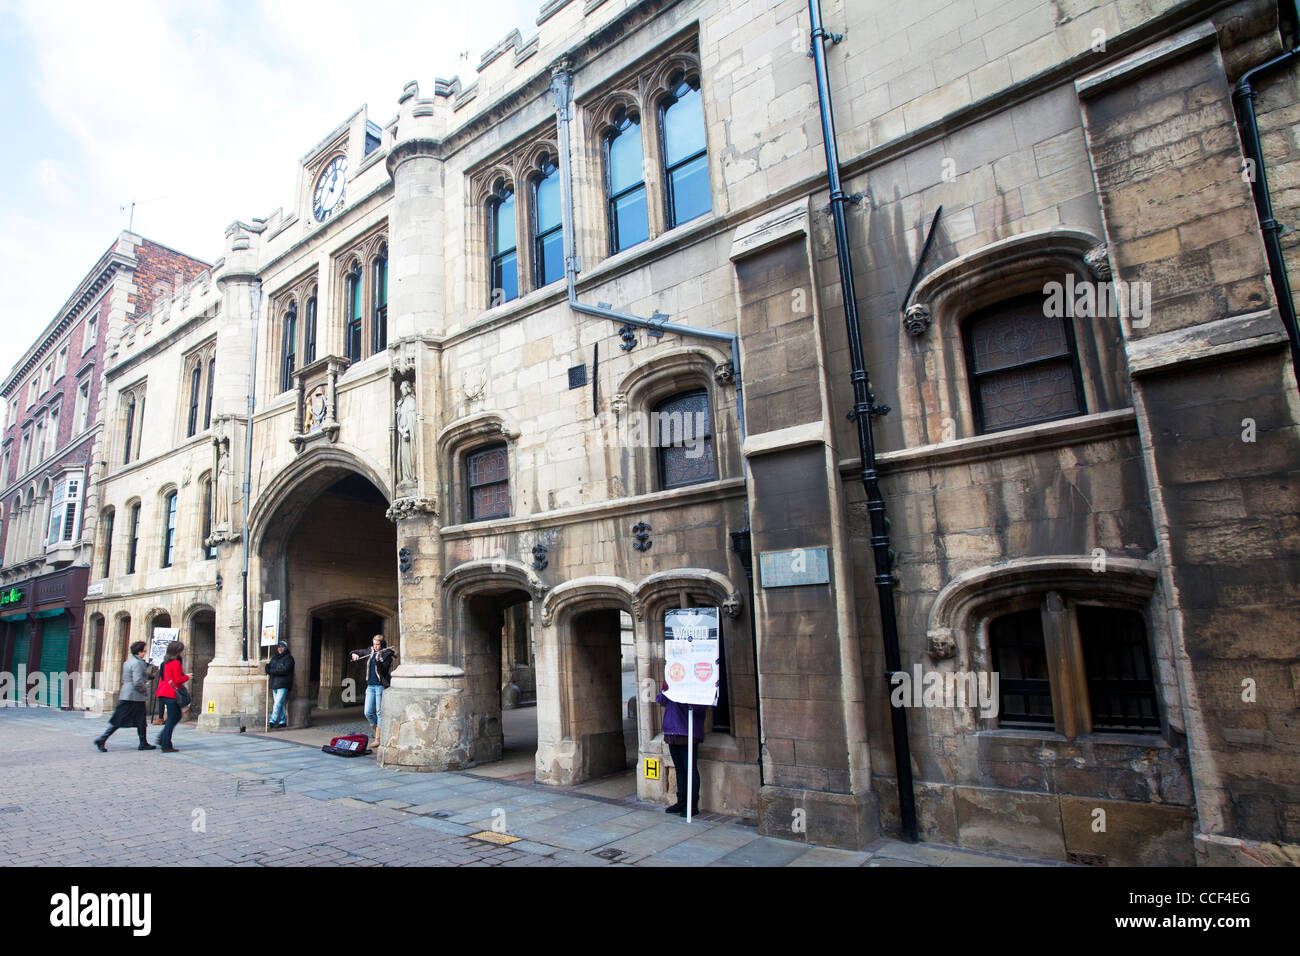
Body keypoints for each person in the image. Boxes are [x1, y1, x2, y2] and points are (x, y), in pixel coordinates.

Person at [655, 680, 708, 816]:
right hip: (672, 731)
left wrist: (687, 695)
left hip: (687, 731)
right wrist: (665, 690)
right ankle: (682, 801)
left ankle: (692, 804)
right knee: (679, 768)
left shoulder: (695, 682)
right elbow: (661, 701)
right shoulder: (672, 681)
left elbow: (700, 707)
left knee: (690, 768)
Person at [93, 641, 157, 752]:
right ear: (139, 651)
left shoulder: (129, 661)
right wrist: (144, 690)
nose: (145, 653)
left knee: (141, 720)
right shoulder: (137, 663)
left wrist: (149, 676)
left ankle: (143, 743)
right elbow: (137, 681)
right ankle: (102, 739)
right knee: (119, 719)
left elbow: (138, 674)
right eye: (144, 651)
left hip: (128, 694)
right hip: (133, 696)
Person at [350, 635, 396, 745]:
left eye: (377, 644)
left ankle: (378, 739)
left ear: (382, 644)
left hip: (380, 686)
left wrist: (378, 661)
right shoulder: (369, 651)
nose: (375, 646)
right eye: (374, 644)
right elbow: (355, 651)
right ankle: (379, 732)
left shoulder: (386, 654)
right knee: (368, 712)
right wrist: (354, 654)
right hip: (370, 686)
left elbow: (384, 670)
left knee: (379, 713)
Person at [154, 641, 190, 753]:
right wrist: (187, 677)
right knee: (172, 719)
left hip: (162, 692)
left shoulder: (165, 662)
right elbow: (178, 680)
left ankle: (163, 738)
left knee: (173, 717)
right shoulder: (175, 663)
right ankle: (166, 744)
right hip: (171, 694)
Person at [265, 640, 294, 728]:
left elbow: (284, 670)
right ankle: (282, 721)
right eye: (279, 647)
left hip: (283, 684)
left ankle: (272, 720)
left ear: (285, 648)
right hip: (275, 683)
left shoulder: (289, 658)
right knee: (279, 704)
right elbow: (270, 667)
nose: (280, 648)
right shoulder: (274, 658)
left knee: (277, 703)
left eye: (282, 647)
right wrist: (267, 668)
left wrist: (271, 671)